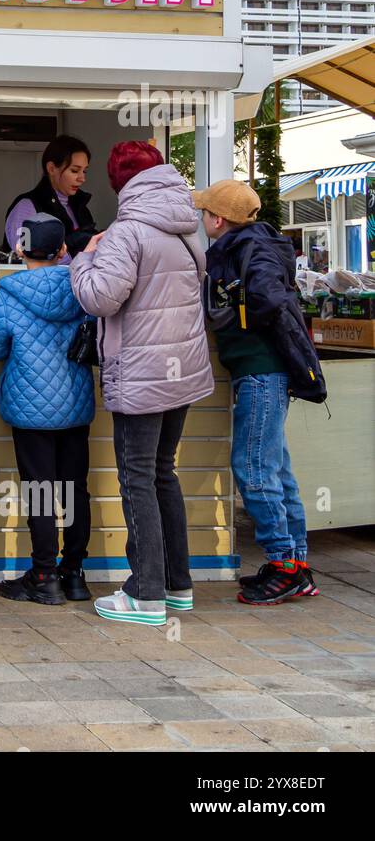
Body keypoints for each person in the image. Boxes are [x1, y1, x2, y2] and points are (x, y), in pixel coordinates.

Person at [70, 141, 213, 626]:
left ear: (120, 182)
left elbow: (99, 299)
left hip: (143, 375)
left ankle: (145, 593)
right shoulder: (188, 228)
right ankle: (177, 584)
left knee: (137, 477)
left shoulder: (126, 233)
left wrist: (84, 259)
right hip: (183, 370)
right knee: (161, 473)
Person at [194, 179, 321, 605]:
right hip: (263, 372)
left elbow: (269, 297)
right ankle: (296, 564)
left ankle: (284, 564)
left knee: (251, 466)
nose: (201, 220)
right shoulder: (251, 243)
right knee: (277, 470)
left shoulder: (250, 247)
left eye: (204, 214)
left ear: (218, 219)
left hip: (261, 372)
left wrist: (237, 319)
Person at [0, 214, 96, 605]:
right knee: (75, 489)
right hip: (75, 405)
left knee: (42, 490)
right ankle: (75, 574)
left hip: (29, 408)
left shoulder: (8, 293)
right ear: (63, 249)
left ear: (21, 249)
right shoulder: (83, 289)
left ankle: (44, 575)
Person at [2, 134, 96, 262]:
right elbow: (24, 255)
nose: (82, 178)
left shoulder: (80, 207)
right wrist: (75, 250)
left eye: (84, 171)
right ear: (51, 168)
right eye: (74, 171)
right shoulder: (27, 206)